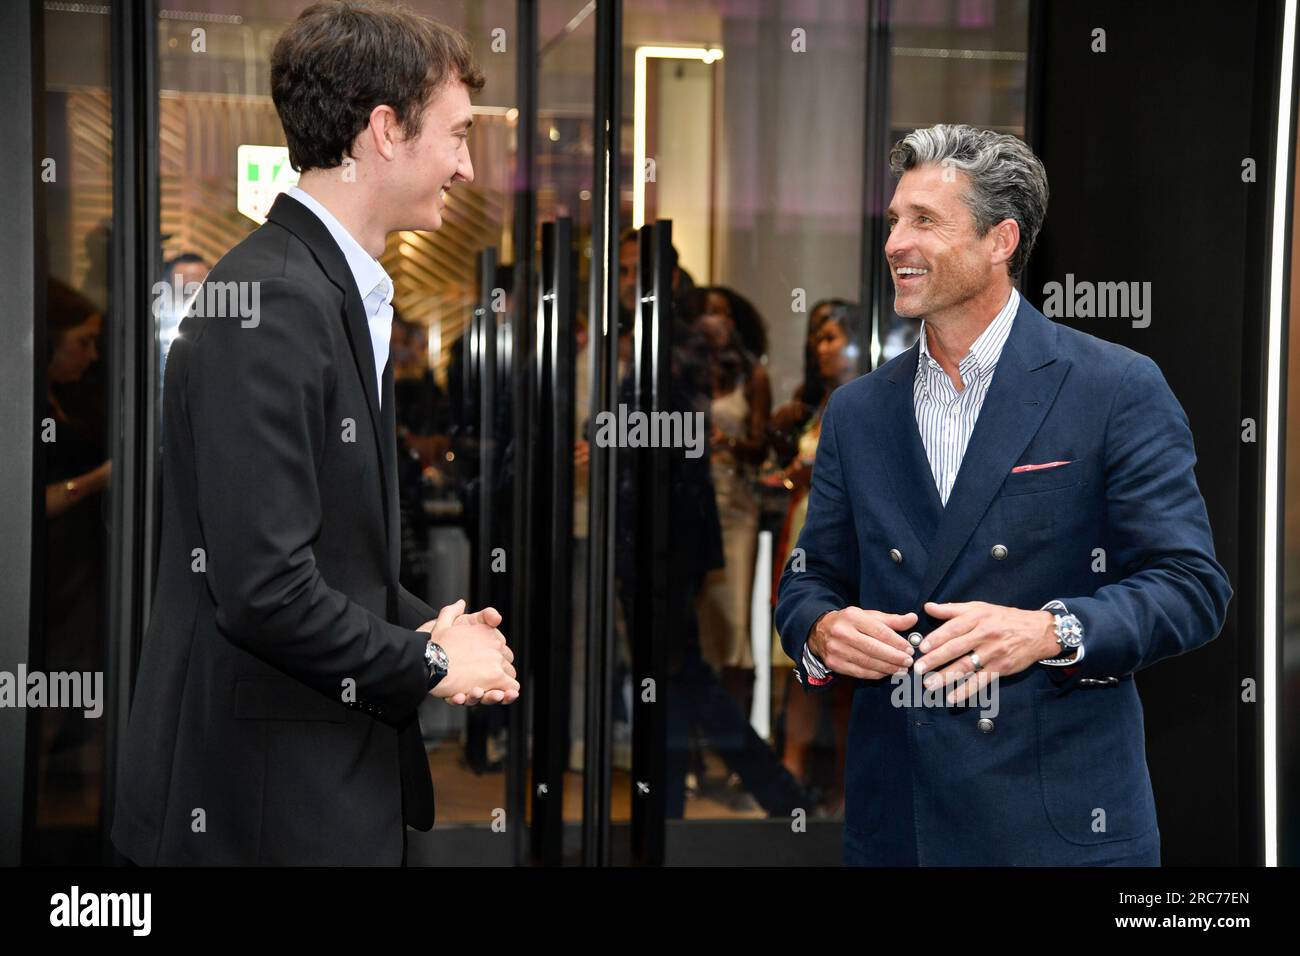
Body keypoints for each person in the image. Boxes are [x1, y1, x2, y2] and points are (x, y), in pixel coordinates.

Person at [111, 0, 518, 866]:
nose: (467, 166)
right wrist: (435, 664)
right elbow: (263, 590)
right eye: (455, 136)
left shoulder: (318, 288)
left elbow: (328, 558)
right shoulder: (281, 302)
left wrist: (431, 624)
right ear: (384, 130)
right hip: (263, 802)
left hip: (299, 782)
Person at [775, 123, 1231, 866]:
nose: (894, 243)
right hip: (899, 827)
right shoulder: (859, 411)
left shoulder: (1113, 387)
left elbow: (1191, 586)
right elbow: (810, 579)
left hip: (1056, 829)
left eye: (925, 220)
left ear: (1001, 241)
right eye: (894, 221)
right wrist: (821, 633)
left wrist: (1052, 632)